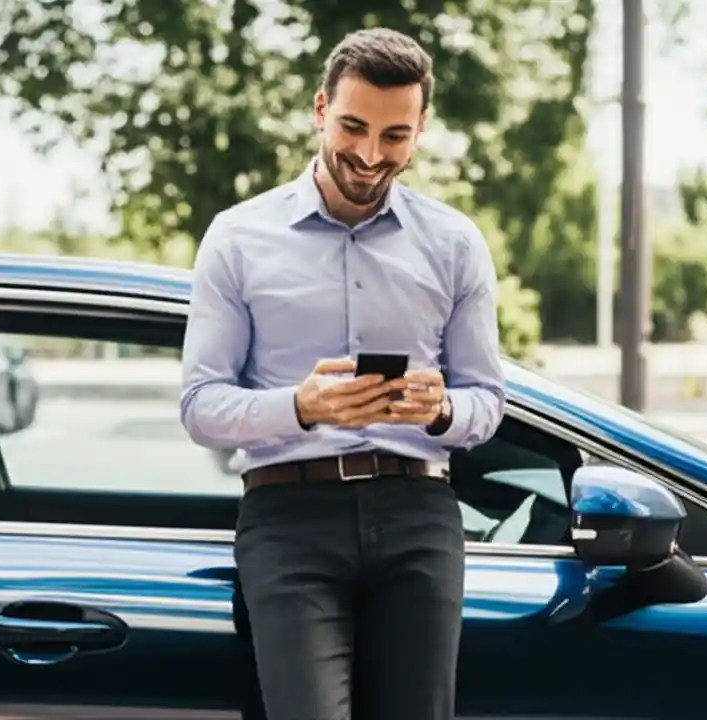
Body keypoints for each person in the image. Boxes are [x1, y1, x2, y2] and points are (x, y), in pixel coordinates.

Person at [179, 26, 505, 720]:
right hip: (288, 517)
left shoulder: (453, 244)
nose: (367, 153)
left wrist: (441, 411)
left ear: (420, 130)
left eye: (394, 136)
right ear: (321, 108)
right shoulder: (238, 238)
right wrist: (302, 405)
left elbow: (488, 400)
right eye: (353, 126)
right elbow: (201, 405)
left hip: (418, 514)